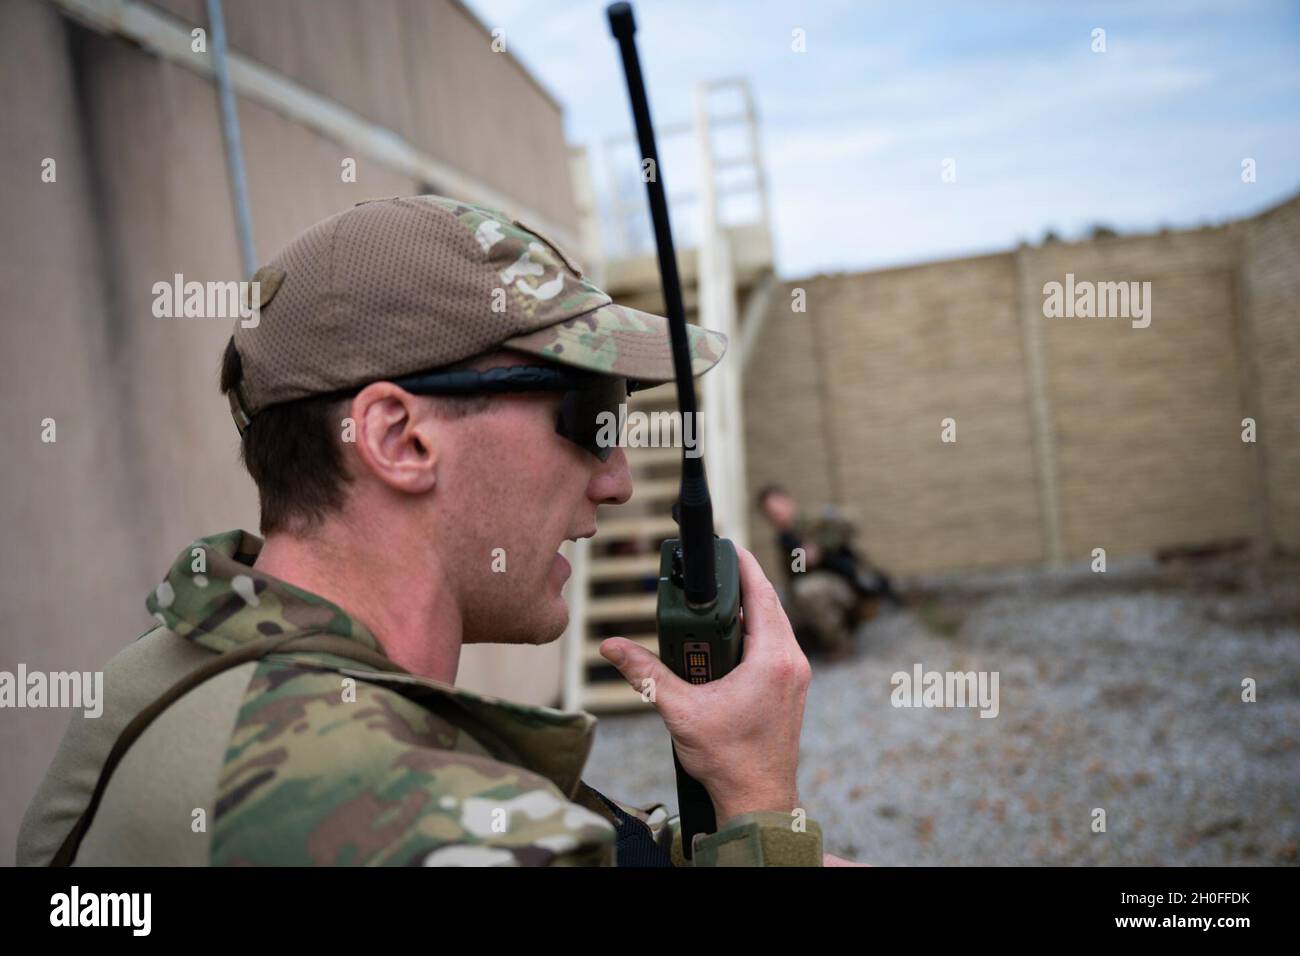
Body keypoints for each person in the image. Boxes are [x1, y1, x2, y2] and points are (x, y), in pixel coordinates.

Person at [18, 196, 853, 867]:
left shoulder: (158, 674)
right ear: (399, 439)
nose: (618, 480)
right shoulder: (424, 820)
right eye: (592, 412)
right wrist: (757, 798)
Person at [757, 484, 904, 660]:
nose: (778, 515)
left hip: (848, 585)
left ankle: (841, 643)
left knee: (807, 591)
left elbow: (851, 521)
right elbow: (797, 575)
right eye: (772, 513)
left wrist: (819, 548)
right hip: (823, 588)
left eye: (779, 508)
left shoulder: (815, 518)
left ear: (789, 501)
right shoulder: (786, 539)